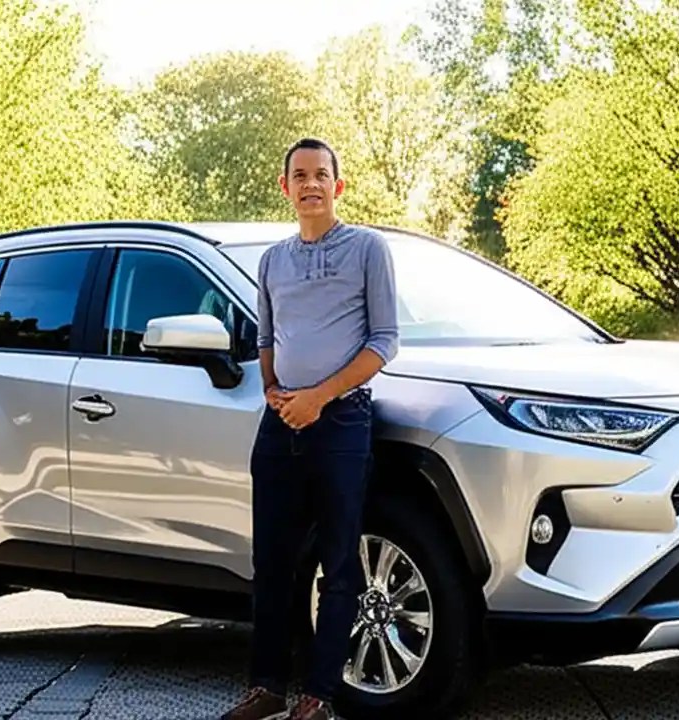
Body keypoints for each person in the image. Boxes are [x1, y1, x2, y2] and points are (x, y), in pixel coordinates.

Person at [221, 138, 399, 720]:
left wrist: (319, 398)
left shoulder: (368, 249)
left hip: (341, 421)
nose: (311, 184)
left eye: (322, 174)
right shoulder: (272, 260)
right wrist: (275, 391)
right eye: (300, 175)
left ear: (338, 186)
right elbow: (266, 338)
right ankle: (267, 688)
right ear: (286, 187)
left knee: (339, 563)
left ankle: (318, 696)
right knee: (272, 562)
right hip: (280, 427)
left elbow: (384, 342)